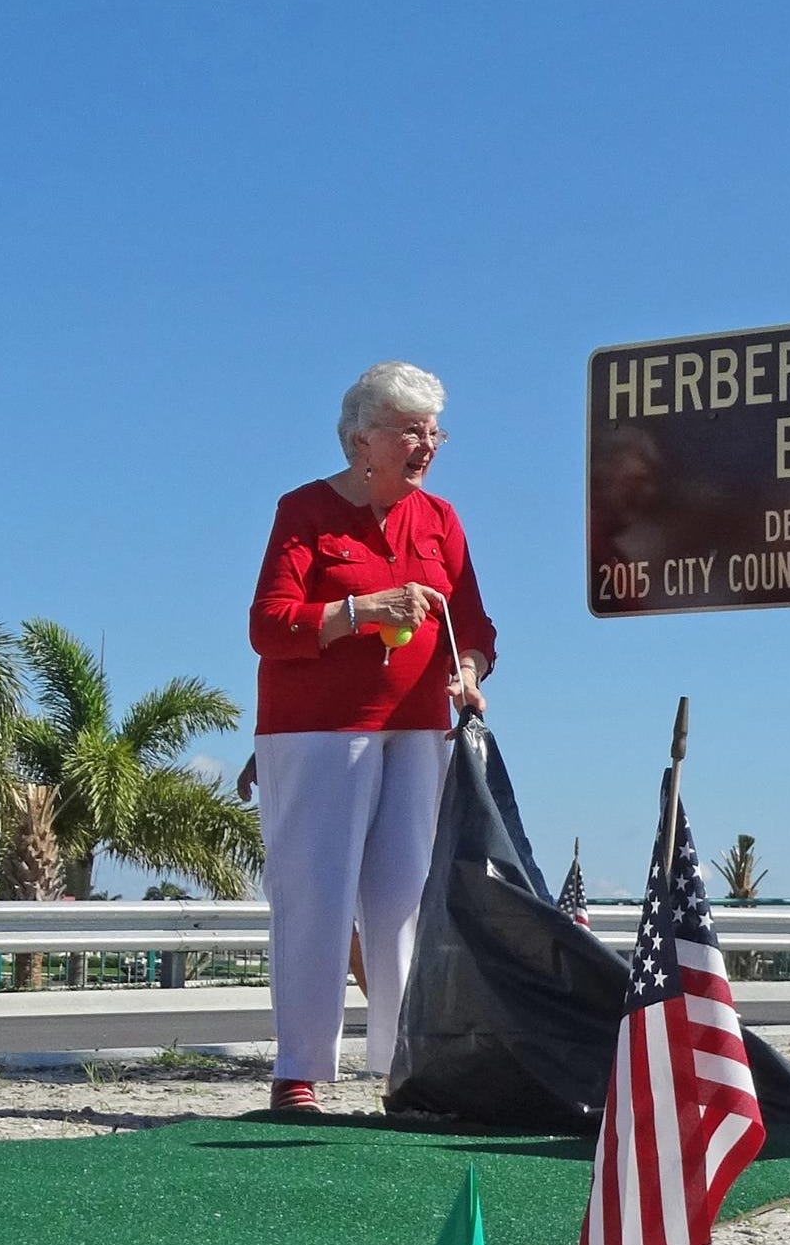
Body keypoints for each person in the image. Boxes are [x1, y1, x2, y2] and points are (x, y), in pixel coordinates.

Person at [246, 361, 495, 1113]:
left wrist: (469, 672)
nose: (426, 444)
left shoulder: (442, 519)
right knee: (315, 896)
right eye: (409, 430)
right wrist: (359, 609)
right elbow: (268, 625)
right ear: (362, 438)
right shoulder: (305, 511)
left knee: (404, 902)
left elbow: (475, 628)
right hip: (319, 735)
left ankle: (402, 1068)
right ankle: (299, 1072)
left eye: (434, 430)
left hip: (419, 732)